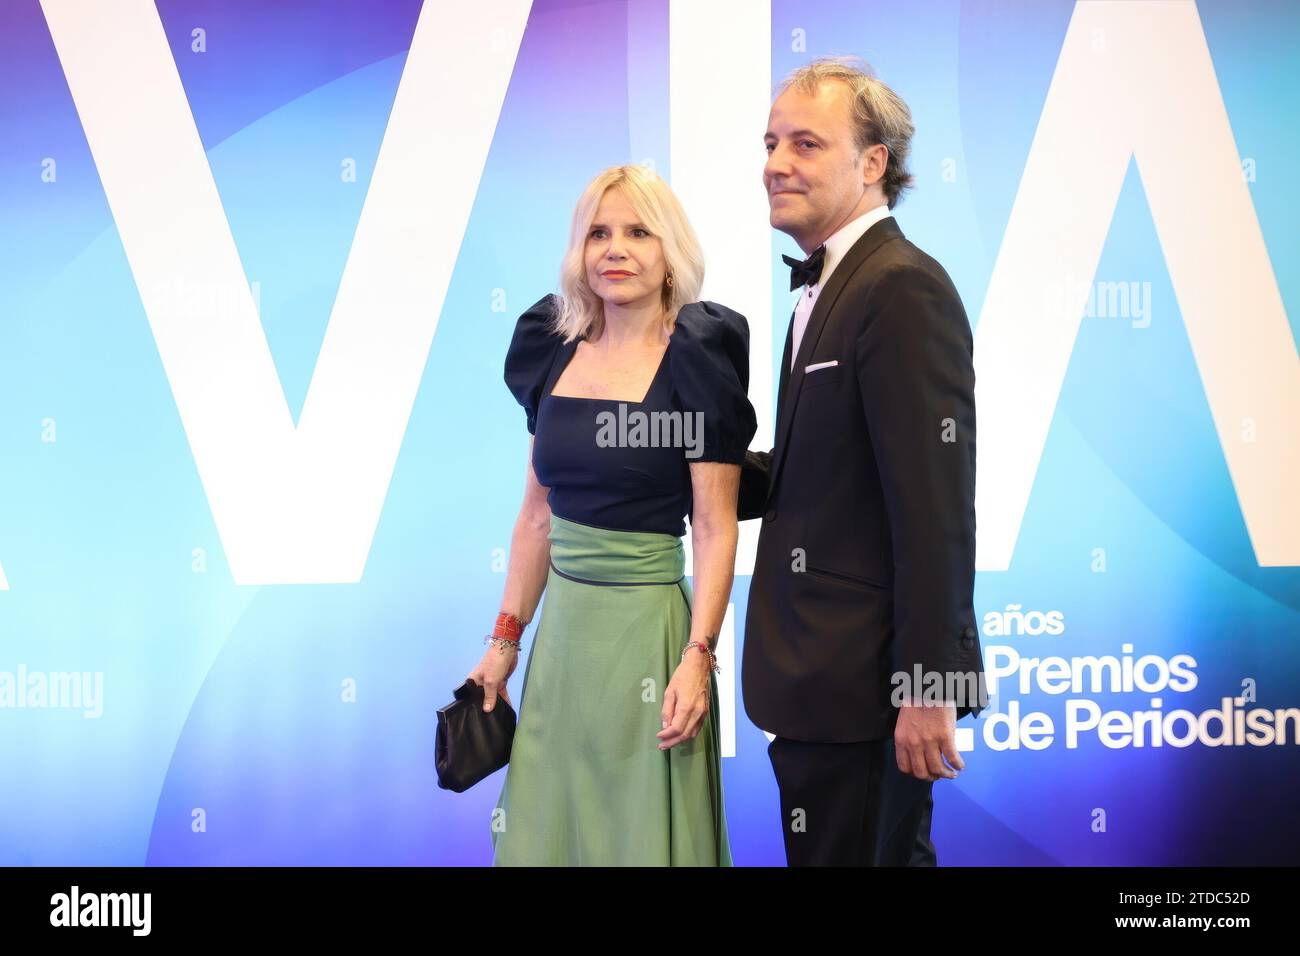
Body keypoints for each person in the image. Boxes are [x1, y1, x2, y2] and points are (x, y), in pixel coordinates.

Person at [470, 164, 758, 866]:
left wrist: (698, 657)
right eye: (598, 233)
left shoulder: (697, 358)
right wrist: (505, 640)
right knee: (546, 830)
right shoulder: (551, 347)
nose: (615, 249)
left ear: (670, 252)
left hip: (650, 641)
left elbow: (715, 526)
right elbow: (536, 517)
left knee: (638, 835)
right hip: (563, 642)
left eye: (638, 233)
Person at [739, 56, 986, 866]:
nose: (777, 163)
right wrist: (681, 461)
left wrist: (930, 687)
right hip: (821, 683)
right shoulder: (827, 288)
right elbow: (813, 474)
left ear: (873, 162)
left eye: (805, 144)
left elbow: (935, 511)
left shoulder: (901, 287)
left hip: (868, 689)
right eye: (771, 143)